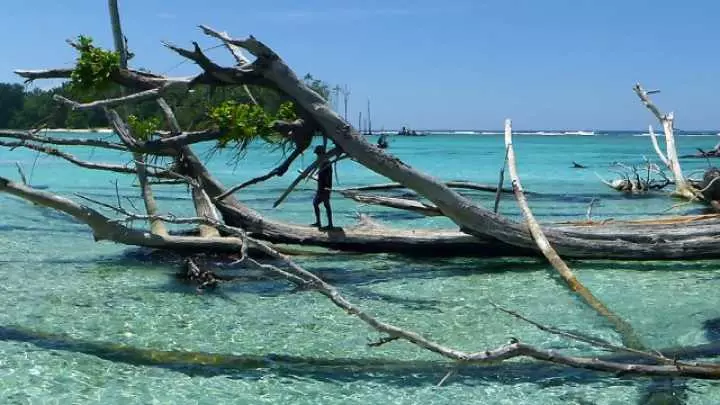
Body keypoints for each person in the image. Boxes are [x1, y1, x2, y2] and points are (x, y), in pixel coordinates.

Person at [311, 145, 334, 229]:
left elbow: (327, 177)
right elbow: (322, 176)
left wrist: (326, 188)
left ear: (321, 153)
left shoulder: (326, 163)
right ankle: (319, 222)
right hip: (322, 188)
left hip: (324, 188)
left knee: (325, 205)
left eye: (318, 154)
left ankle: (329, 224)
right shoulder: (323, 162)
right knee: (317, 203)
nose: (317, 156)